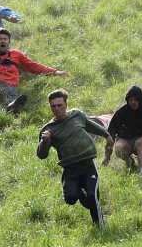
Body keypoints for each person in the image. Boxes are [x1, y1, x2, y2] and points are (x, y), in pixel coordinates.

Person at [37, 89, 113, 228]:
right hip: (70, 168)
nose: (57, 109)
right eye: (53, 106)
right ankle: (83, 197)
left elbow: (91, 125)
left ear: (66, 104)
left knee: (92, 195)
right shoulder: (48, 129)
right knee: (70, 199)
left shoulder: (77, 115)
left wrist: (107, 136)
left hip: (87, 164)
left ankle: (100, 228)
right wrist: (45, 141)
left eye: (59, 105)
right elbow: (42, 155)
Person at [0, 27, 66, 113]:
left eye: (5, 39)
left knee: (11, 94)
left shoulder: (16, 54)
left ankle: (12, 105)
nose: (3, 41)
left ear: (9, 41)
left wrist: (55, 72)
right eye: (0, 39)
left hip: (8, 84)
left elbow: (33, 66)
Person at [103, 85, 142, 179]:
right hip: (125, 140)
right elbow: (111, 133)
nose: (133, 102)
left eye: (135, 100)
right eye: (130, 100)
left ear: (140, 100)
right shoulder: (121, 112)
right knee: (120, 146)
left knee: (140, 143)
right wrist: (107, 155)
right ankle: (129, 162)